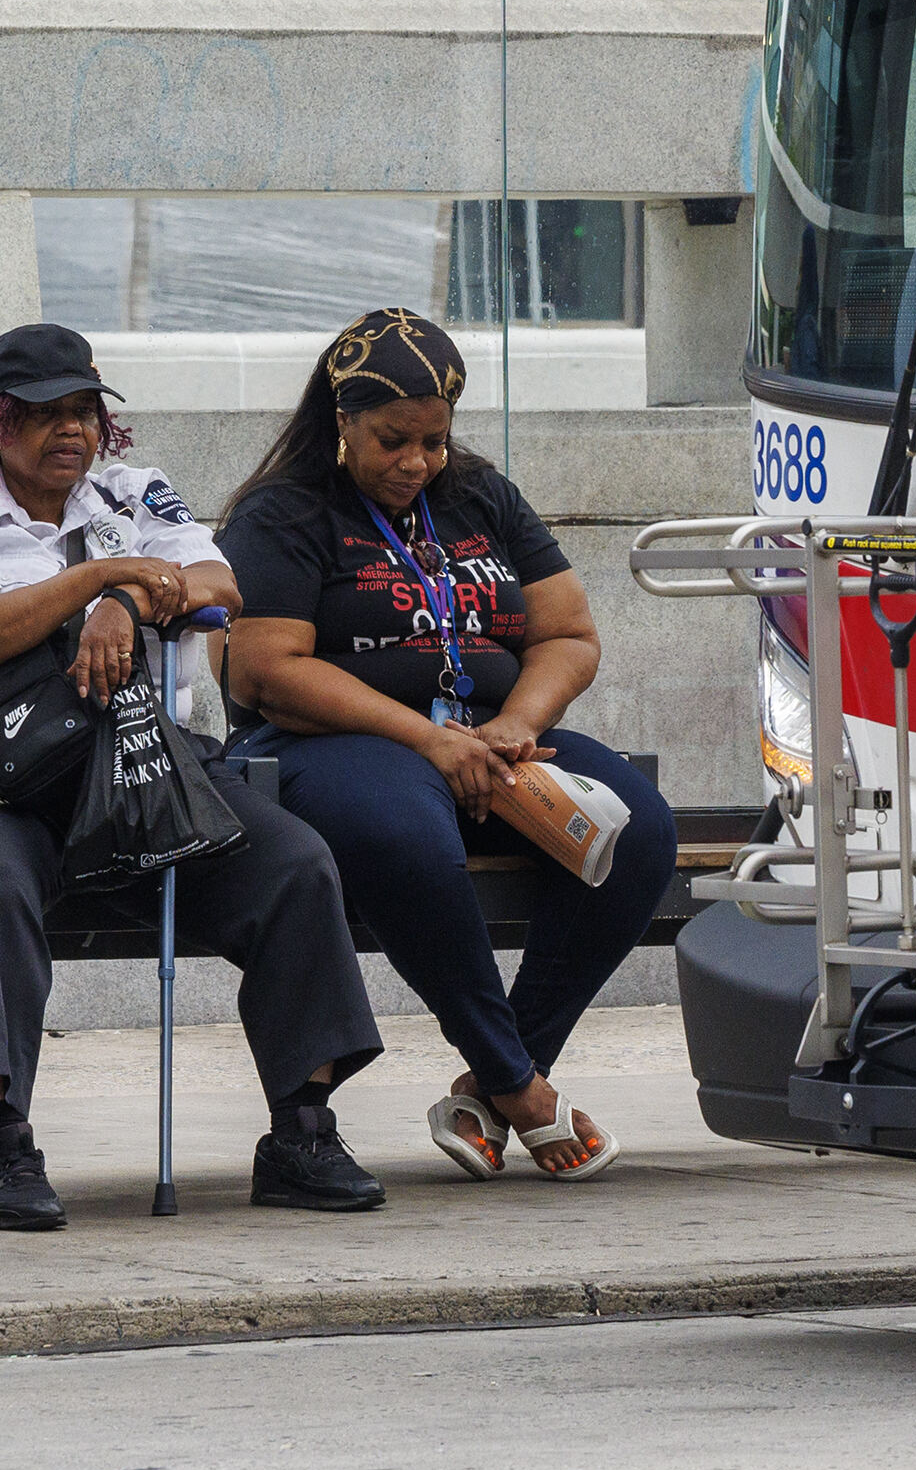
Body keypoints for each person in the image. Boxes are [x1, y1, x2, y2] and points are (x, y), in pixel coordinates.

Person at [0, 323, 386, 1232]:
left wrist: (124, 599)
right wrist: (103, 578)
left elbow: (216, 584)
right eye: (45, 414)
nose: (71, 431)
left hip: (137, 758)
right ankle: (4, 1143)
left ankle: (302, 1130)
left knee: (295, 865)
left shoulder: (131, 493)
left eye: (85, 412)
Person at [217, 309, 673, 1184]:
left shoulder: (479, 495)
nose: (416, 462)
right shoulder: (285, 512)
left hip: (492, 740)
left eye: (433, 440)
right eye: (393, 440)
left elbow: (570, 635)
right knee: (406, 832)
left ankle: (492, 1082)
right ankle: (521, 1088)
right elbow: (266, 671)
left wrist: (518, 723)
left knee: (640, 829)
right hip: (341, 742)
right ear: (342, 421)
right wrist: (427, 739)